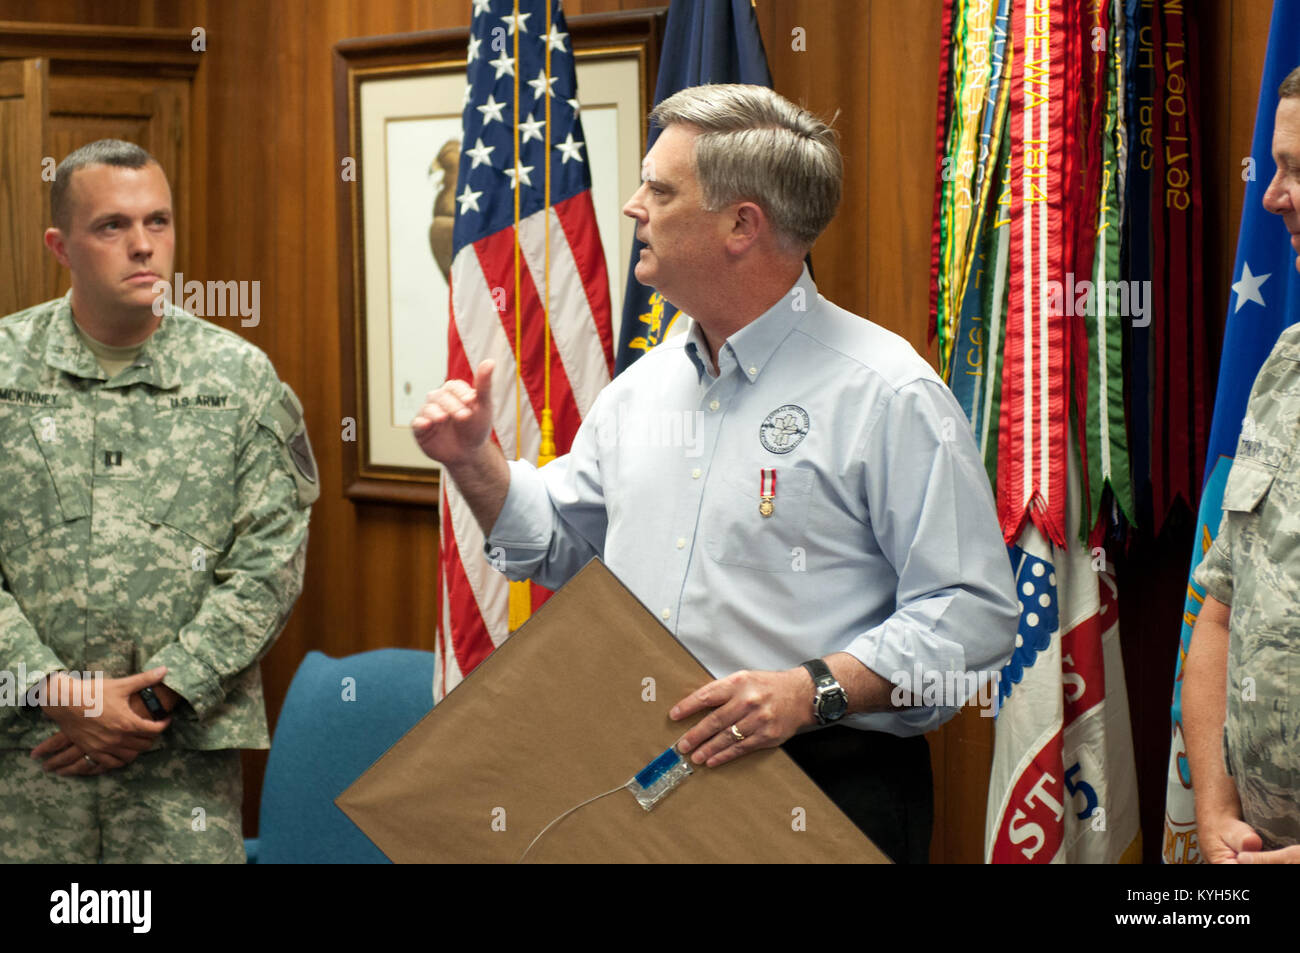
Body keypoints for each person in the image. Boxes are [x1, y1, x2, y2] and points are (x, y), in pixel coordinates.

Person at [414, 85, 1018, 863]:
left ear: (742, 224)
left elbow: (972, 618)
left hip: (819, 786)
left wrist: (811, 691)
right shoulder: (645, 385)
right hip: (646, 783)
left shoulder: (885, 392)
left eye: (660, 190)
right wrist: (474, 461)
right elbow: (555, 540)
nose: (633, 206)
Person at [0, 139, 318, 863]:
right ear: (61, 245)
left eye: (158, 222)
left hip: (177, 776)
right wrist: (55, 691)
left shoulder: (237, 379)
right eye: (112, 225)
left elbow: (270, 565)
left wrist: (149, 702)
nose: (143, 245)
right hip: (23, 761)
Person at [1186, 66, 1300, 865]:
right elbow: (1219, 608)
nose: (1272, 194)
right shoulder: (1284, 367)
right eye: (1275, 165)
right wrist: (1216, 813)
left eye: (1297, 170)